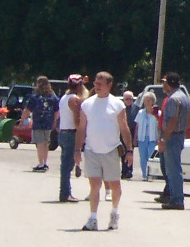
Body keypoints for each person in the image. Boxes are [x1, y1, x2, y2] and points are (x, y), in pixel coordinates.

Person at [74, 71, 133, 231]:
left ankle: (114, 213)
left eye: (100, 84)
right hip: (92, 150)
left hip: (111, 150)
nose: (96, 86)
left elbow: (124, 128)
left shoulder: (117, 104)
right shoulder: (87, 104)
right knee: (94, 185)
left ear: (109, 85)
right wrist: (77, 150)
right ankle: (92, 218)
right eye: (95, 83)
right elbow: (81, 128)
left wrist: (129, 150)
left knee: (114, 185)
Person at [155, 72, 190, 210]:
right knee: (173, 168)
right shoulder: (183, 97)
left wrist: (164, 138)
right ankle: (175, 198)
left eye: (164, 82)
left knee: (173, 169)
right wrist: (183, 129)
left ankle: (177, 200)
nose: (163, 85)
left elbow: (172, 120)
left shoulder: (173, 99)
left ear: (169, 83)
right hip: (178, 135)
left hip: (172, 137)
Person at [57, 74, 88, 202]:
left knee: (65, 165)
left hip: (63, 132)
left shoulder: (64, 98)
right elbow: (77, 119)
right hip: (71, 134)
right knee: (67, 166)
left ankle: (66, 192)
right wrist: (82, 135)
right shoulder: (74, 99)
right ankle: (65, 193)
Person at [19, 75, 59, 173]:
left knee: (40, 144)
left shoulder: (35, 97)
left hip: (38, 123)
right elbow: (57, 111)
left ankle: (41, 164)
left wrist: (22, 121)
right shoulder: (52, 97)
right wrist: (55, 122)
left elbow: (27, 110)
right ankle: (44, 162)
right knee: (45, 143)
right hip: (49, 123)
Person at [134, 92, 159, 182]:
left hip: (153, 138)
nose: (147, 102)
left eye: (149, 100)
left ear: (153, 101)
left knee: (150, 156)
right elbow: (137, 126)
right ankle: (144, 175)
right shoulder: (141, 112)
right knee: (143, 157)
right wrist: (135, 138)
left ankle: (151, 174)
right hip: (142, 137)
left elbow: (159, 126)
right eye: (145, 100)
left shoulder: (157, 113)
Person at [120, 91, 140, 179]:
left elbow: (137, 124)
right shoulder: (120, 108)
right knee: (122, 152)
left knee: (130, 152)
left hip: (132, 132)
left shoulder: (137, 108)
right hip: (121, 132)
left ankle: (128, 171)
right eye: (127, 99)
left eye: (131, 99)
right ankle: (124, 171)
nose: (129, 101)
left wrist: (135, 137)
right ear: (123, 99)